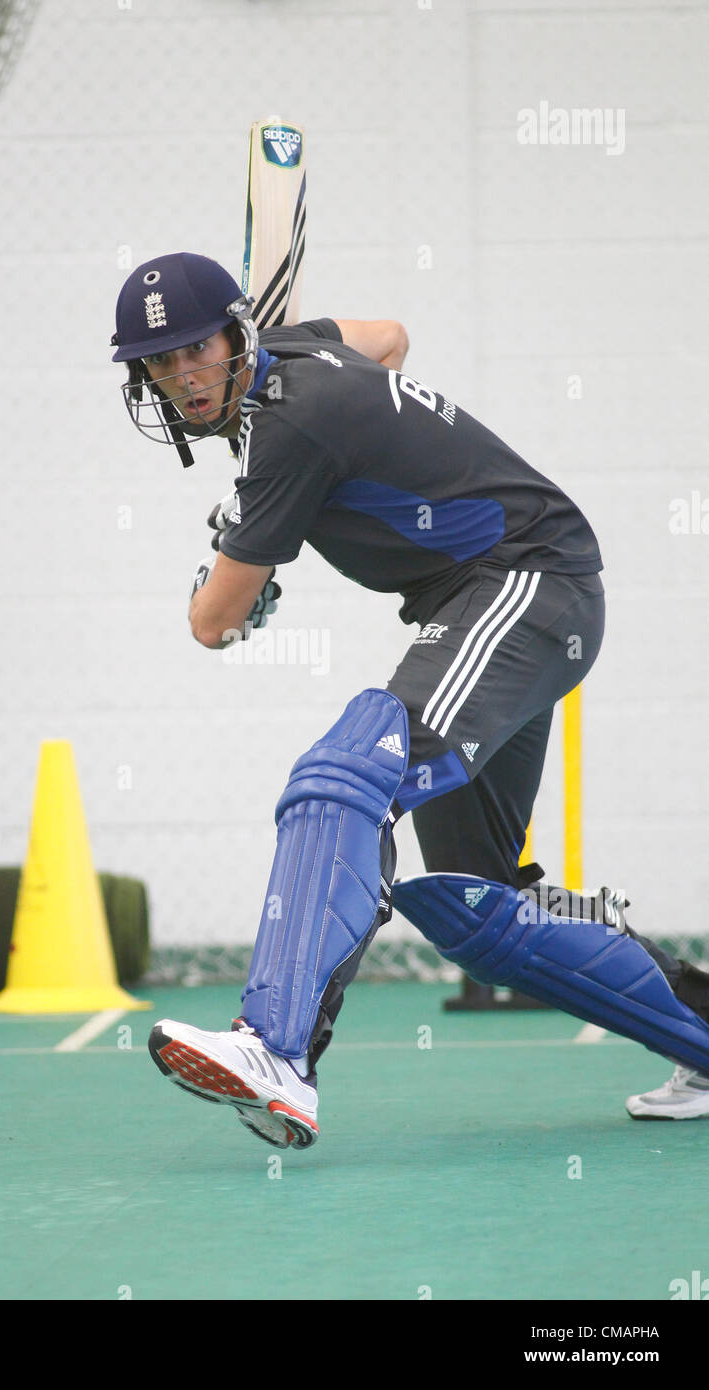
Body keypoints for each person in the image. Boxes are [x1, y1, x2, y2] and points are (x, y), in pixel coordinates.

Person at [110, 251, 709, 1146]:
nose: (184, 377)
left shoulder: (288, 427)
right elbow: (388, 339)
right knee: (478, 907)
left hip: (522, 583)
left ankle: (275, 1048)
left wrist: (237, 555)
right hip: (508, 599)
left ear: (234, 334)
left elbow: (213, 625)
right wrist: (275, 512)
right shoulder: (304, 353)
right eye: (160, 362)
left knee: (350, 771)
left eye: (198, 349)